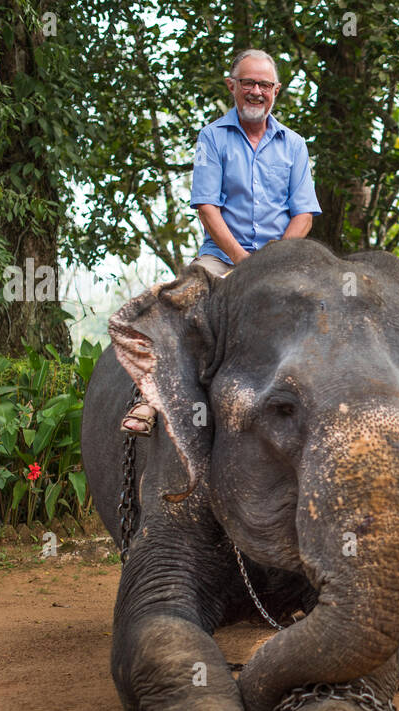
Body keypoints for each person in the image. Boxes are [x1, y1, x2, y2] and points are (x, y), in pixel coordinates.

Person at [121, 48, 322, 435]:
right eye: (248, 82)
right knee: (176, 305)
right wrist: (243, 262)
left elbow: (304, 214)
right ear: (232, 86)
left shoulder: (294, 144)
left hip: (280, 260)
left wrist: (272, 261)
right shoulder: (212, 137)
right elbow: (208, 209)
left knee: (327, 311)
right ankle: (149, 400)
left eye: (265, 84)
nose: (256, 91)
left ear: (276, 91)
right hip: (222, 258)